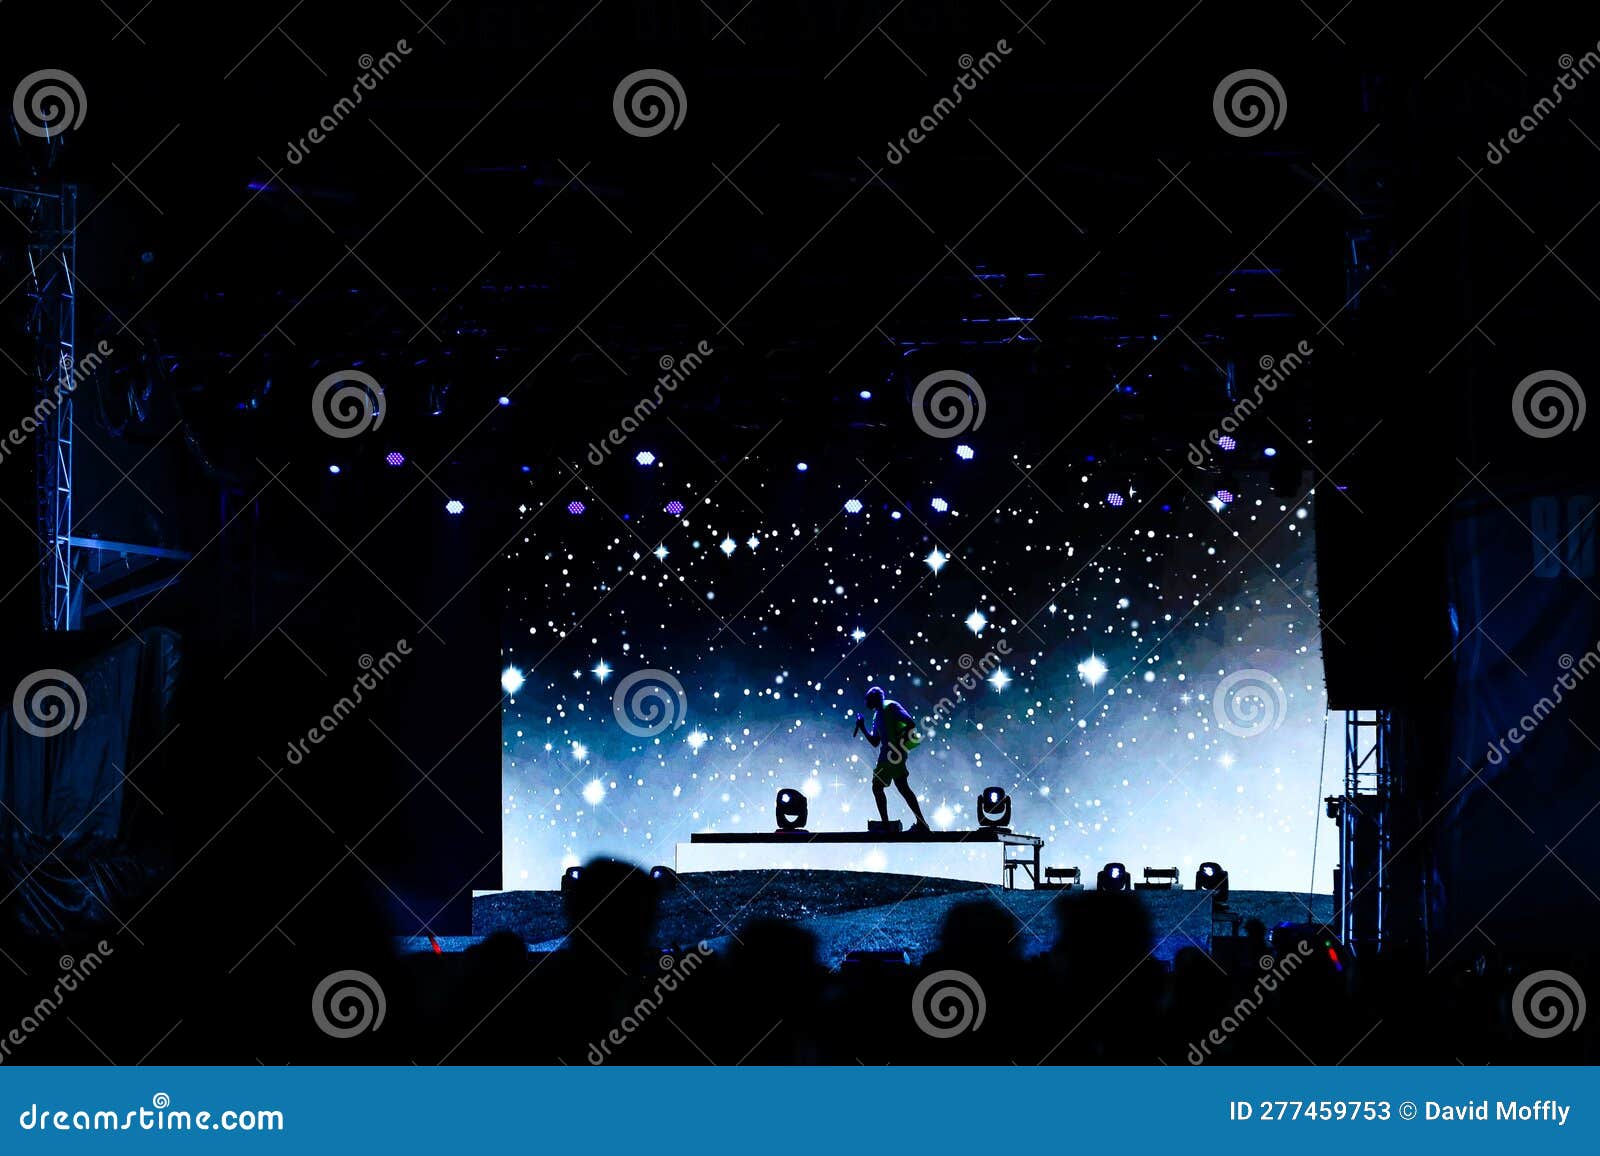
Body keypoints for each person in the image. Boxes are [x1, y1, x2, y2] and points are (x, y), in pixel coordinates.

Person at [854, 685, 929, 830]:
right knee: (903, 788)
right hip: (888, 756)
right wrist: (862, 727)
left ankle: (887, 825)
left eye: (867, 700)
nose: (865, 704)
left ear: (874, 699)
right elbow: (875, 742)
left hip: (891, 756)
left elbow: (910, 723)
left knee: (877, 787)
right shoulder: (877, 715)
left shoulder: (891, 706)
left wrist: (899, 744)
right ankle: (922, 824)